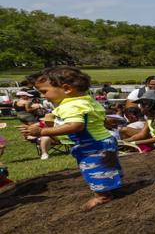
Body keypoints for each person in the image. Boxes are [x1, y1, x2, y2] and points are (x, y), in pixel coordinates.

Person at [18, 66, 122, 210]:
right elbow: (99, 118)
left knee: (92, 169)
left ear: (66, 89)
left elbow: (76, 126)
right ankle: (113, 186)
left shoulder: (71, 106)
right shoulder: (86, 100)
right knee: (107, 165)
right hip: (104, 140)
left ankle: (103, 196)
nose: (42, 96)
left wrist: (42, 132)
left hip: (92, 144)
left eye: (44, 91)